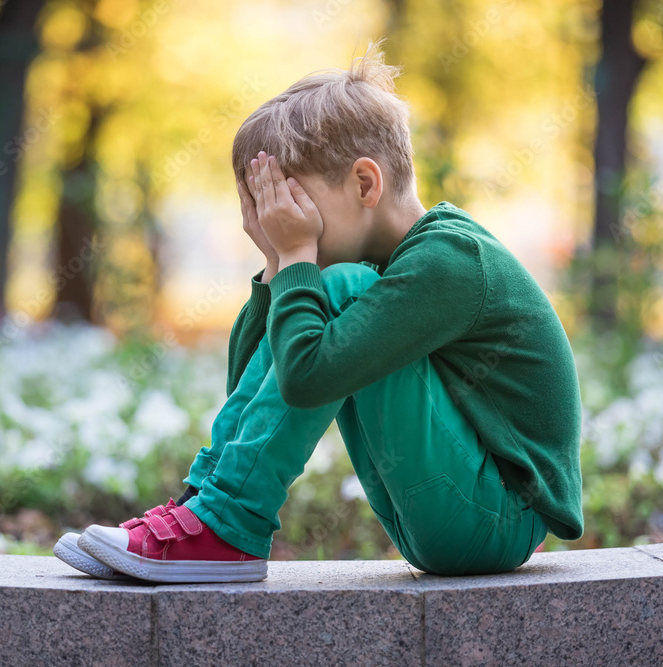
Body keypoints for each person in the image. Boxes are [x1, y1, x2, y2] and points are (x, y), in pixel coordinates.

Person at [56, 41, 584, 584]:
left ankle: (224, 526)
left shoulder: (450, 261)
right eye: (268, 210)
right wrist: (274, 265)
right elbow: (260, 378)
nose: (285, 223)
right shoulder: (391, 266)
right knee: (333, 295)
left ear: (364, 184)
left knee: (343, 288)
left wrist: (297, 261)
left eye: (293, 205)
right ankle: (206, 511)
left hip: (501, 517)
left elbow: (306, 380)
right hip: (446, 510)